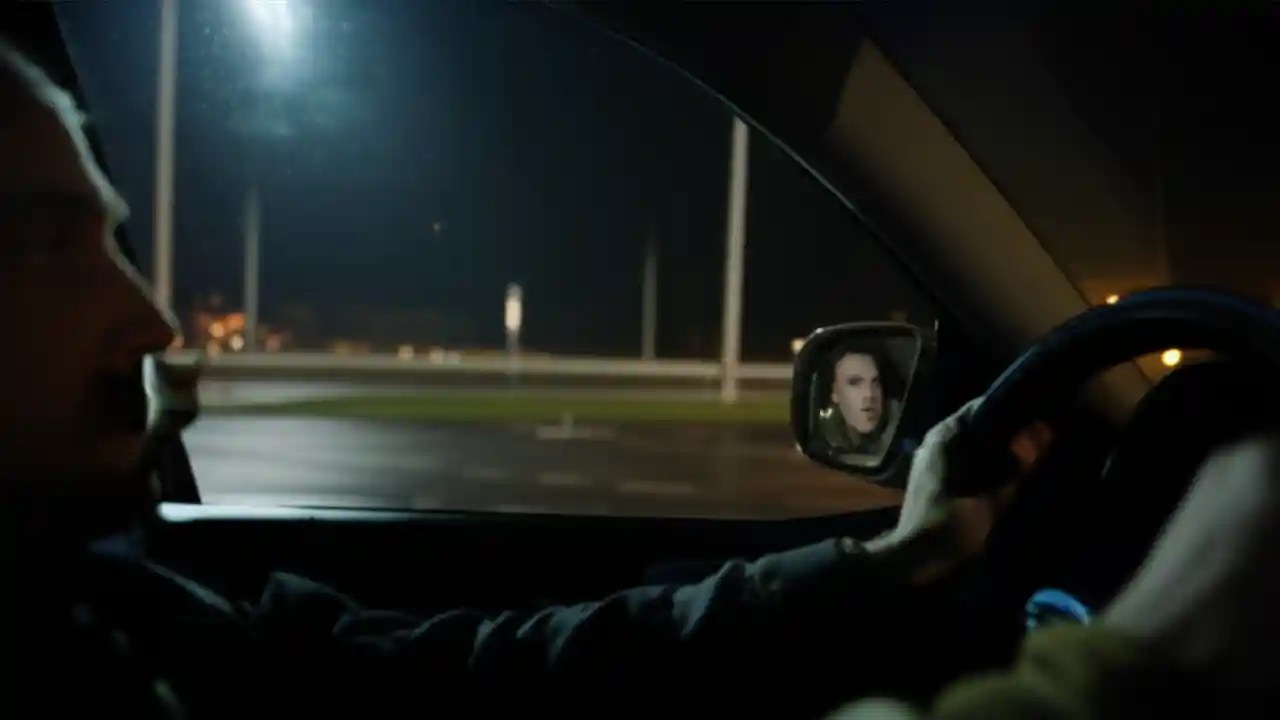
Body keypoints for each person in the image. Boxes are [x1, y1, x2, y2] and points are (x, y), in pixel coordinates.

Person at [1, 42, 1271, 719]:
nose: (149, 315)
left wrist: (893, 563)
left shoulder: (130, 617)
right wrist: (1134, 663)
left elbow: (475, 679)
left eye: (116, 239)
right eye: (53, 242)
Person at [818, 341, 904, 460]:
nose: (870, 394)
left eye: (876, 382)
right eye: (854, 382)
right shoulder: (821, 443)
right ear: (834, 392)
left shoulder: (903, 433)